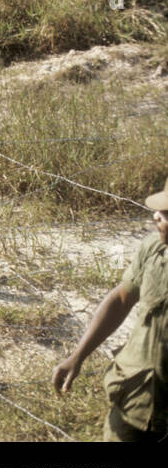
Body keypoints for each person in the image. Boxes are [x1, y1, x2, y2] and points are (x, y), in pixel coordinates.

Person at [53, 180, 168, 441]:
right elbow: (121, 299)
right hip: (135, 398)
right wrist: (78, 356)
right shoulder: (153, 249)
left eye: (167, 213)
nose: (156, 216)